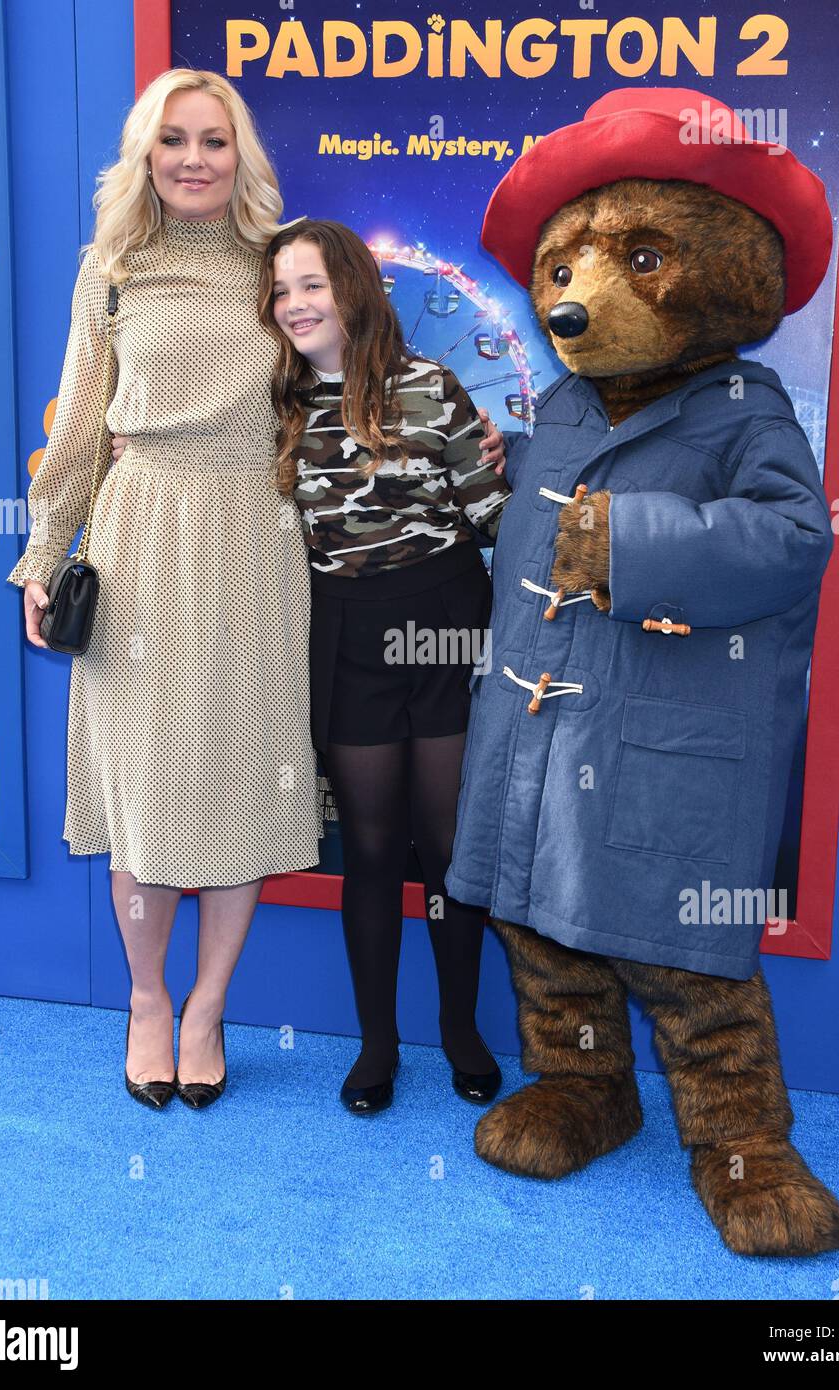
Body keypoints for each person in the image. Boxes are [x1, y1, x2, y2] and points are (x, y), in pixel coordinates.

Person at [7, 69, 331, 1111]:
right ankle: (150, 1000)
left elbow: (339, 391)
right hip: (141, 531)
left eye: (215, 139)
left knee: (242, 769)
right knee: (143, 787)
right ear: (144, 154)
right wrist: (43, 554)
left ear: (242, 156)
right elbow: (77, 429)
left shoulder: (282, 268)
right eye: (173, 139)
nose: (194, 158)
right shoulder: (109, 271)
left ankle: (208, 1007)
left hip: (255, 534)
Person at [266, 220, 512, 1113]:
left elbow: (494, 520)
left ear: (355, 288)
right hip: (345, 638)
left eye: (311, 285)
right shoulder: (275, 406)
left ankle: (459, 1028)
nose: (294, 304)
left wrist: (513, 456)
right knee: (369, 851)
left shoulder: (431, 387)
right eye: (281, 290)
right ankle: (377, 1042)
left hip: (447, 628)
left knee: (447, 850)